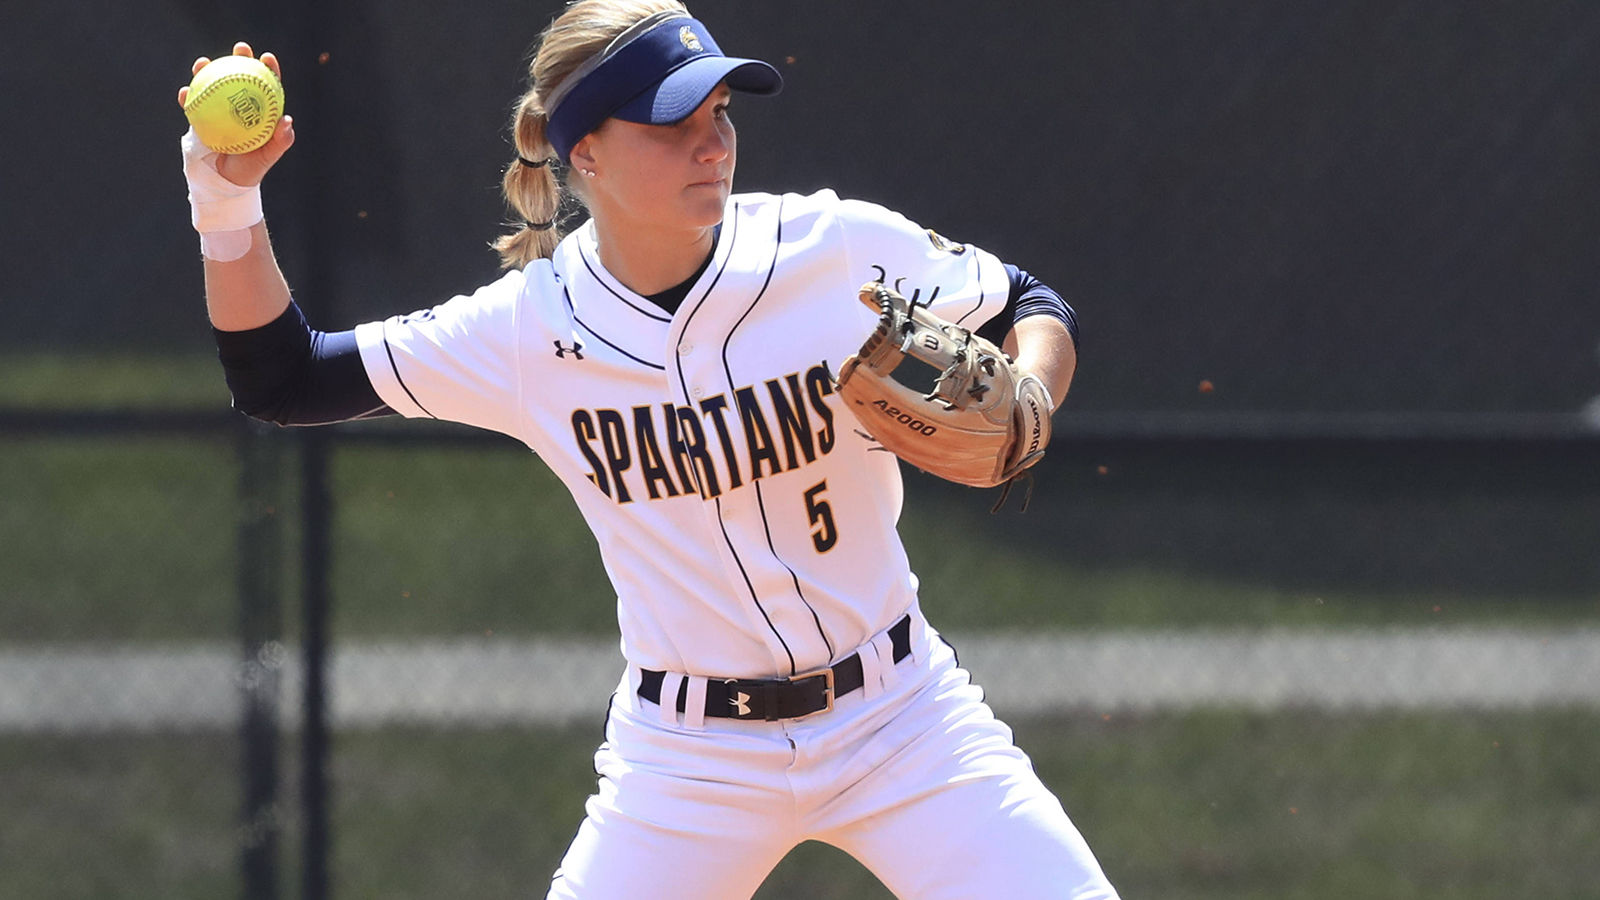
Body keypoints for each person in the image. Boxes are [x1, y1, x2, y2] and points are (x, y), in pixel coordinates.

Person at [177, 2, 1118, 897]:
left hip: (902, 717)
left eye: (719, 112)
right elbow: (283, 380)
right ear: (585, 150)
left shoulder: (829, 248)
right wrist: (226, 206)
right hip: (690, 761)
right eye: (672, 123)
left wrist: (1031, 395)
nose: (713, 143)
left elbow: (1030, 303)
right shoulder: (526, 332)